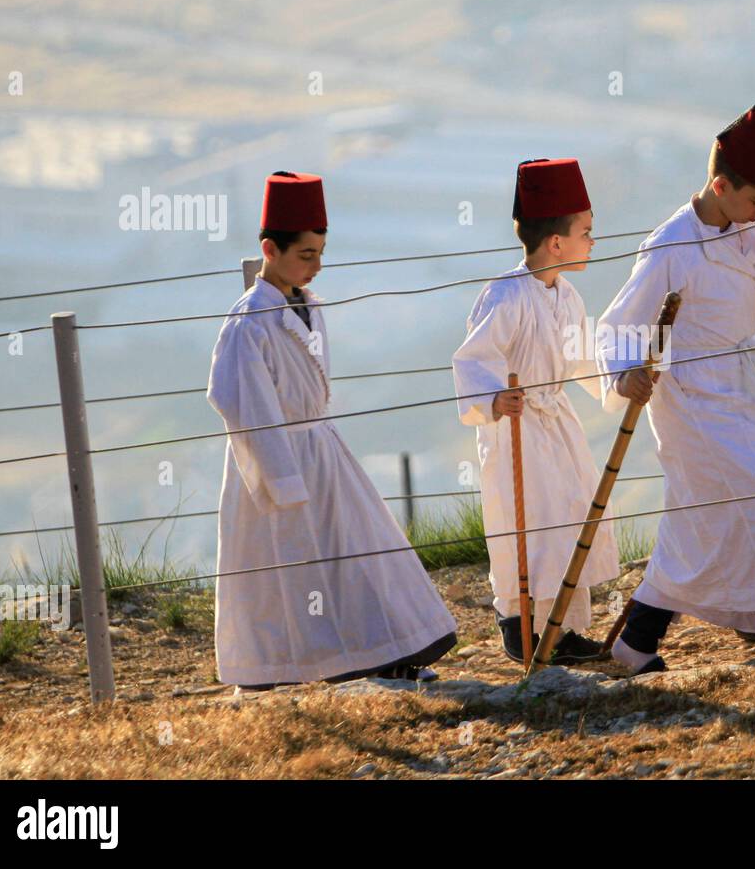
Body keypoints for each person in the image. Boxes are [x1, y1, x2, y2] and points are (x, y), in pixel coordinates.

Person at [596, 102, 755, 674]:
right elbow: (621, 322)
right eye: (753, 201)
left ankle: (636, 642)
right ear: (720, 184)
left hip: (741, 391)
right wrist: (625, 371)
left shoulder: (750, 231)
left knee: (700, 521)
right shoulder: (671, 246)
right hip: (692, 400)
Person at [207, 170, 457, 689]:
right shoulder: (249, 322)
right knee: (285, 567)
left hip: (321, 449)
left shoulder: (307, 307)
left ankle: (383, 650)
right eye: (305, 254)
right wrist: (281, 478)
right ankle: (274, 669)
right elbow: (241, 404)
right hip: (276, 461)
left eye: (321, 253)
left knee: (356, 551)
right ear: (270, 249)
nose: (316, 266)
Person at [452, 159, 617, 665]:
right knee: (524, 524)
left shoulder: (566, 296)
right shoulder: (505, 296)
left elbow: (584, 357)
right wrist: (492, 399)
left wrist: (621, 379)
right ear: (555, 243)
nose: (594, 240)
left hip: (554, 423)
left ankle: (562, 628)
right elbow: (473, 359)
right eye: (586, 232)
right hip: (515, 429)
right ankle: (518, 624)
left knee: (565, 518)